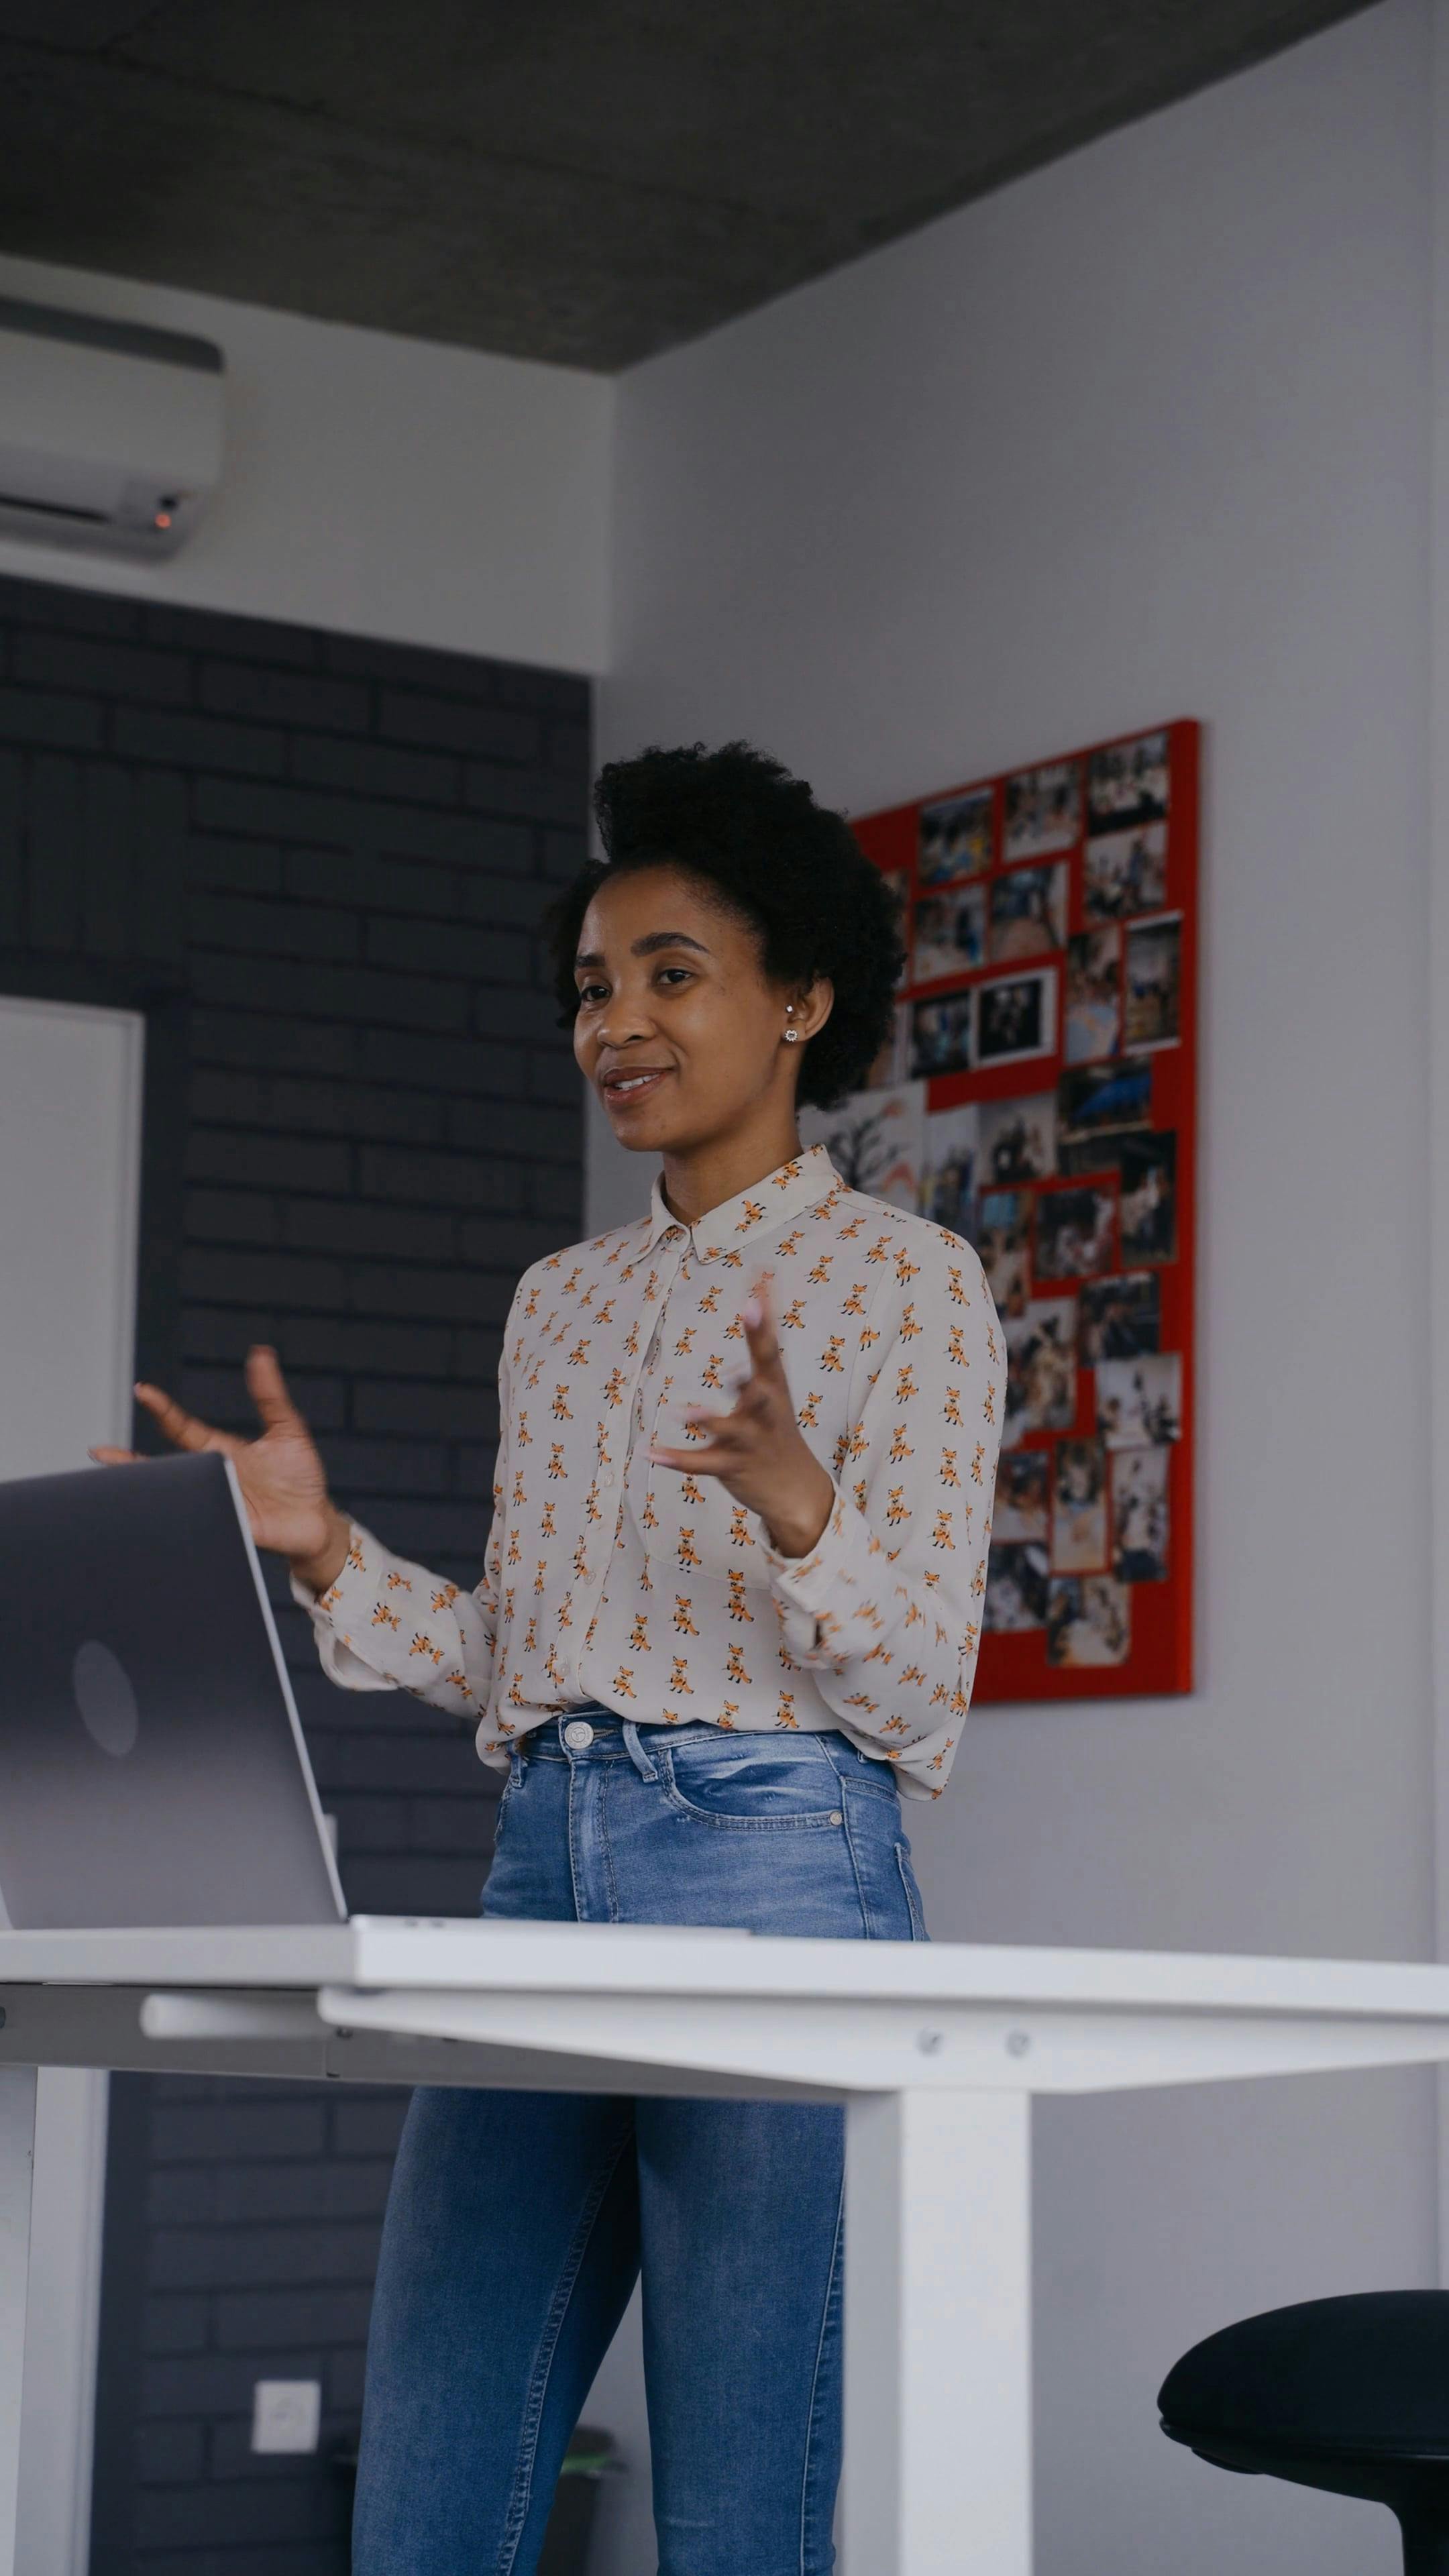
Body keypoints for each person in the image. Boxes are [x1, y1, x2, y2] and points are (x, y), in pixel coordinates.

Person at [97, 741, 1004, 2575]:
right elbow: (518, 1665)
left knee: (743, 2514)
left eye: (674, 974)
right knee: (434, 2502)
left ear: (803, 1002)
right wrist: (323, 1547)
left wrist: (804, 1508)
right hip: (541, 1864)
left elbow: (916, 1697)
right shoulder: (560, 1304)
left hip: (777, 1867)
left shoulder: (908, 1286)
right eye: (595, 987)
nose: (618, 1023)